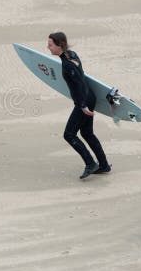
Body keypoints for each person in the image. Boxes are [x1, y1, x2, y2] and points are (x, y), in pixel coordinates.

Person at [47, 32, 111, 179]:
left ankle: (90, 163)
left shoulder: (67, 64)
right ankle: (103, 165)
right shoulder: (72, 54)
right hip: (90, 97)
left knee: (69, 134)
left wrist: (82, 106)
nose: (48, 47)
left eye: (50, 44)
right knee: (87, 133)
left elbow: (79, 84)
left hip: (84, 101)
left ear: (59, 45)